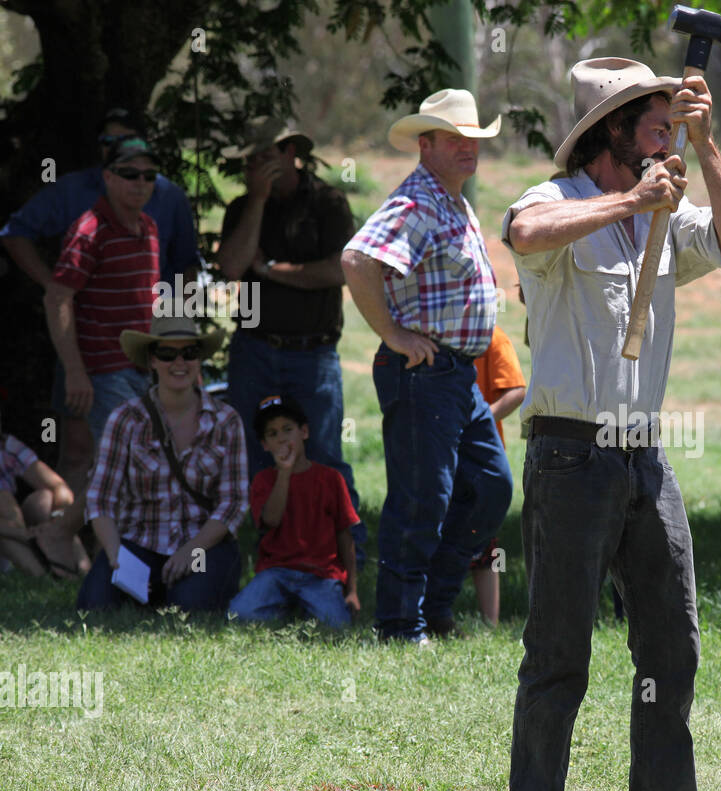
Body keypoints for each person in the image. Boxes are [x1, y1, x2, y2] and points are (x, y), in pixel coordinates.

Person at [499, 57, 721, 791]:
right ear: (610, 128)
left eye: (670, 112)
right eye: (651, 113)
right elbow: (523, 235)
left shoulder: (665, 213)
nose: (666, 122)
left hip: (645, 457)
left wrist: (709, 150)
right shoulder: (560, 201)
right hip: (570, 455)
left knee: (673, 647)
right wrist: (631, 201)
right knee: (558, 658)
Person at [341, 90, 512, 642]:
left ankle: (433, 609)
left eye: (474, 139)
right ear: (426, 144)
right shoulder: (418, 201)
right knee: (423, 498)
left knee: (488, 487)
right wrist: (392, 333)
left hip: (453, 374)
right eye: (455, 138)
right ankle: (399, 624)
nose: (469, 148)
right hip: (425, 371)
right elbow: (356, 259)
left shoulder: (451, 198)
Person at [217, 119, 366, 562]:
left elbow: (339, 271)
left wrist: (269, 271)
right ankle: (265, 553)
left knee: (322, 453)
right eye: (252, 159)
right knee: (252, 452)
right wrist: (258, 202)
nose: (259, 165)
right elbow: (230, 267)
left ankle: (345, 556)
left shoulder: (328, 203)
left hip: (312, 351)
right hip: (254, 348)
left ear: (291, 153)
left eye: (267, 155)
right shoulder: (242, 208)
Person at [78, 315, 247, 612]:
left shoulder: (227, 420)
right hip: (138, 541)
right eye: (167, 354)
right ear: (152, 361)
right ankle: (151, 591)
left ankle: (175, 592)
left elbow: (233, 503)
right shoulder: (125, 418)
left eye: (189, 353)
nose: (179, 362)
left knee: (188, 609)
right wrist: (117, 557)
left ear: (199, 360)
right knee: (95, 607)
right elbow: (99, 498)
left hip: (202, 543)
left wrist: (190, 551)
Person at [41, 136, 165, 493]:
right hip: (103, 373)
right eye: (129, 173)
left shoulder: (150, 228)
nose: (140, 182)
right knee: (123, 468)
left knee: (119, 467)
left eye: (148, 175)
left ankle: (72, 539)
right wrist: (75, 371)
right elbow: (57, 299)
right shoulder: (89, 231)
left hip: (143, 368)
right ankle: (75, 541)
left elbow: (150, 302)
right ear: (108, 177)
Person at [1, 107, 200, 298]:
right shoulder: (72, 190)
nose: (113, 147)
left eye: (124, 140)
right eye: (107, 140)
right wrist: (53, 287)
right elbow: (15, 233)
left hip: (155, 323)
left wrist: (181, 322)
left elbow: (187, 264)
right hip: (90, 324)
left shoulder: (170, 196)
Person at [228, 395, 361, 627]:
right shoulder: (263, 480)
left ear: (304, 432)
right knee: (239, 614)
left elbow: (345, 535)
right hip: (276, 572)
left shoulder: (331, 479)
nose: (281, 438)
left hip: (321, 575)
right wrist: (284, 473)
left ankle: (300, 608)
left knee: (337, 626)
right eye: (273, 434)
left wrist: (352, 591)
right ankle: (288, 608)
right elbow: (270, 520)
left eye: (288, 429)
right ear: (264, 445)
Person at [467, 326, 526, 626]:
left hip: (481, 456)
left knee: (485, 534)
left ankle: (490, 621)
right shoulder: (433, 331)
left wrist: (478, 423)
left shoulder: (493, 337)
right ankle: (431, 612)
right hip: (441, 451)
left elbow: (516, 391)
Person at [0, 424, 88, 578]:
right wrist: (24, 534)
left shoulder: (6, 447)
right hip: (10, 532)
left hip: (20, 530)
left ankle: (84, 571)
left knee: (44, 501)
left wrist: (57, 522)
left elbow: (60, 488)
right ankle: (43, 576)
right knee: (4, 500)